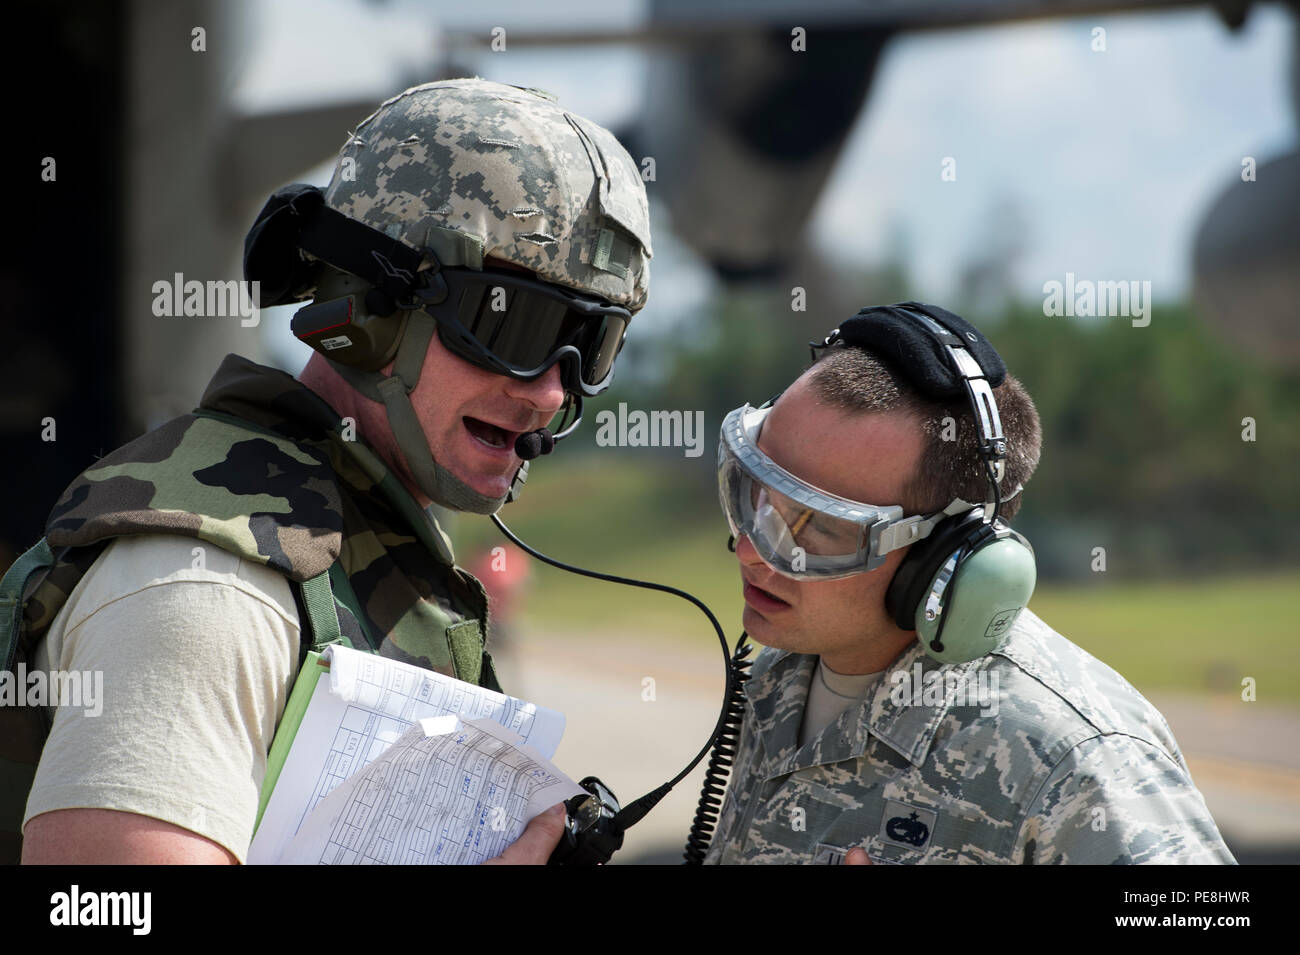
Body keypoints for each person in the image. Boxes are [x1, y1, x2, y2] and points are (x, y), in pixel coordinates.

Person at [10, 78, 651, 865]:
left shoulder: (359, 532)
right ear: (375, 309)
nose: (551, 388)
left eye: (592, 342)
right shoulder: (206, 585)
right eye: (511, 324)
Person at [702, 302, 1235, 865]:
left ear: (941, 556)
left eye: (825, 528)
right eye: (757, 494)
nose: (750, 549)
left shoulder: (1072, 756)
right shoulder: (777, 676)